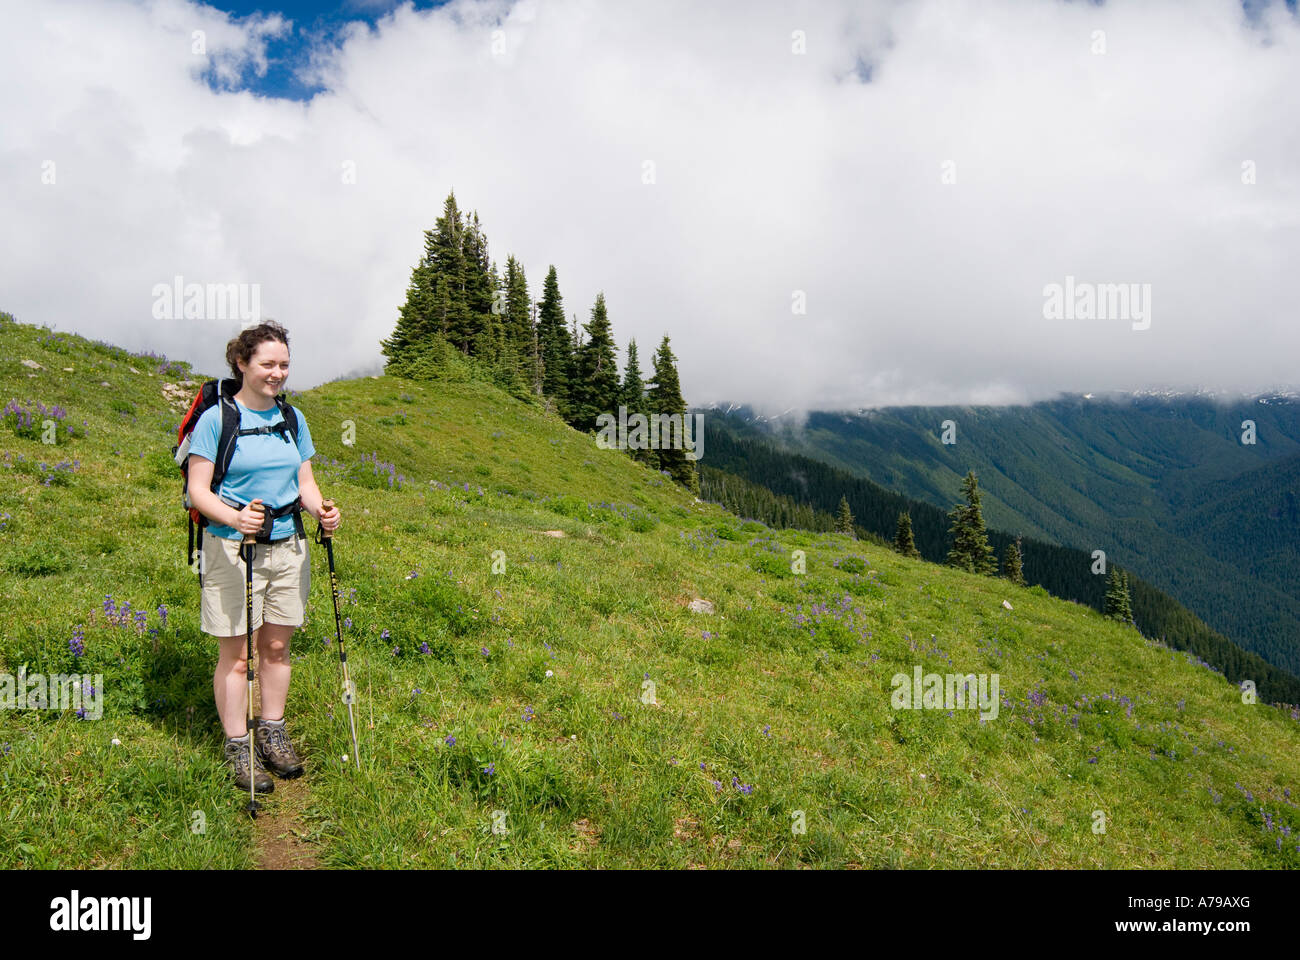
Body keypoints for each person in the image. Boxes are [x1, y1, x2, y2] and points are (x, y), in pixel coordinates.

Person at [187, 321, 340, 793]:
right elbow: (197, 492)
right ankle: (238, 744)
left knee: (276, 647)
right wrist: (235, 520)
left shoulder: (293, 419)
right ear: (242, 363)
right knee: (235, 657)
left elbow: (305, 482)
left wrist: (322, 510)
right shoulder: (218, 418)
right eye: (268, 364)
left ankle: (272, 731)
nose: (277, 373)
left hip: (288, 546)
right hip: (233, 549)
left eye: (284, 365)